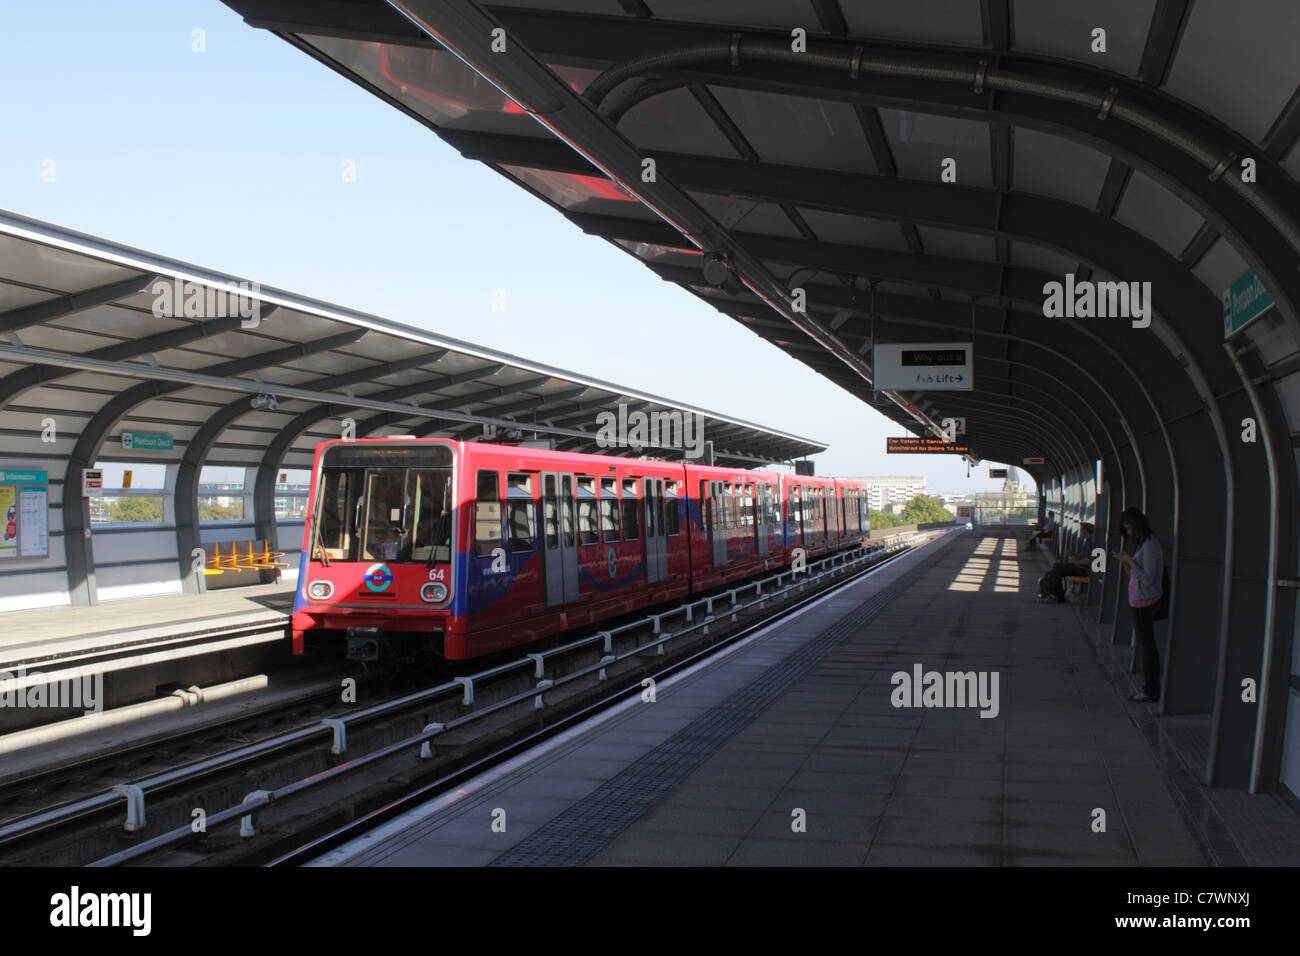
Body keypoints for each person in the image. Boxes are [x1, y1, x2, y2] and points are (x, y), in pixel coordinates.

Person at [1112, 508, 1163, 702]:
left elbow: (1148, 579)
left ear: (1137, 524)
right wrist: (1127, 562)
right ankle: (1150, 688)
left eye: (1129, 527)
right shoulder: (1143, 545)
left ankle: (1151, 690)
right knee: (1145, 645)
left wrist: (1130, 562)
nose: (1129, 532)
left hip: (1145, 602)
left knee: (1148, 647)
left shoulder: (1150, 546)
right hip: (1139, 601)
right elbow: (1134, 575)